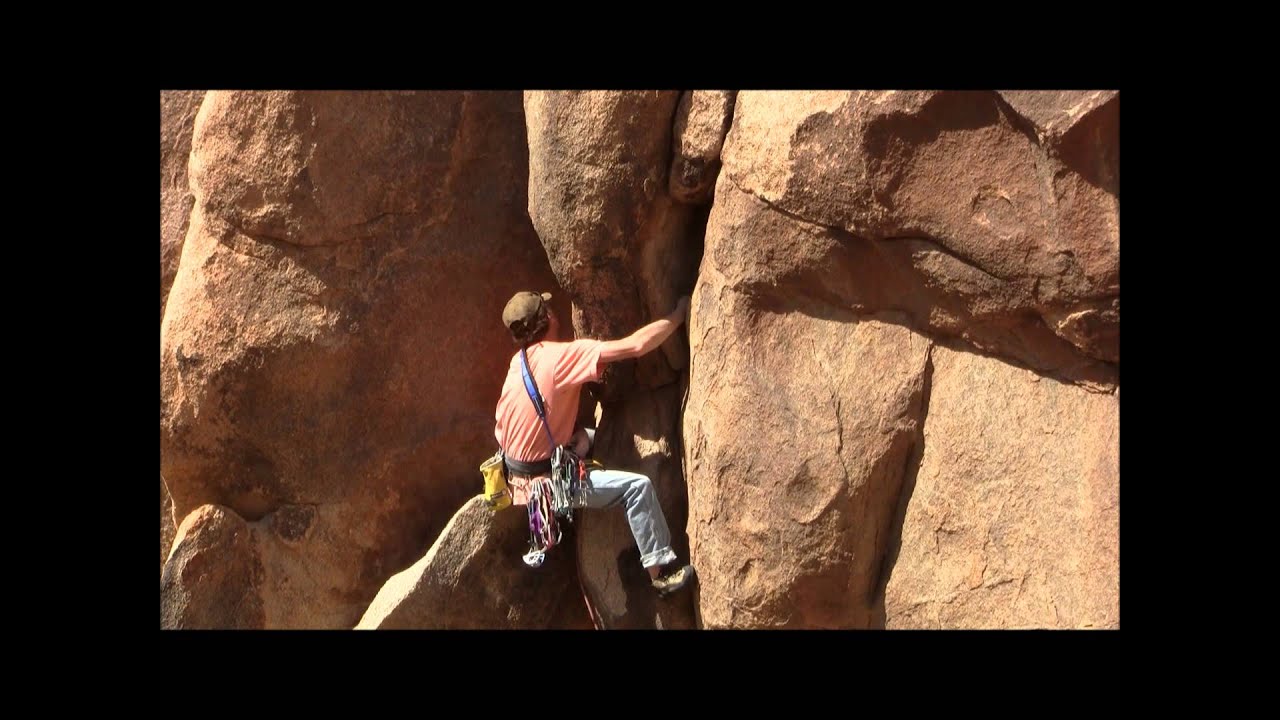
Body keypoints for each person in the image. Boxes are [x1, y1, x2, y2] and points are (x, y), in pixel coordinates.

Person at [495, 290, 695, 596]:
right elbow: (638, 345)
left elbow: (503, 428)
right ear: (548, 316)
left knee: (591, 437)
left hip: (518, 479)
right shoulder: (563, 356)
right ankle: (660, 574)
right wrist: (680, 314)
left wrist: (566, 440)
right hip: (549, 487)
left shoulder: (517, 363)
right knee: (637, 488)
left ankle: (577, 452)